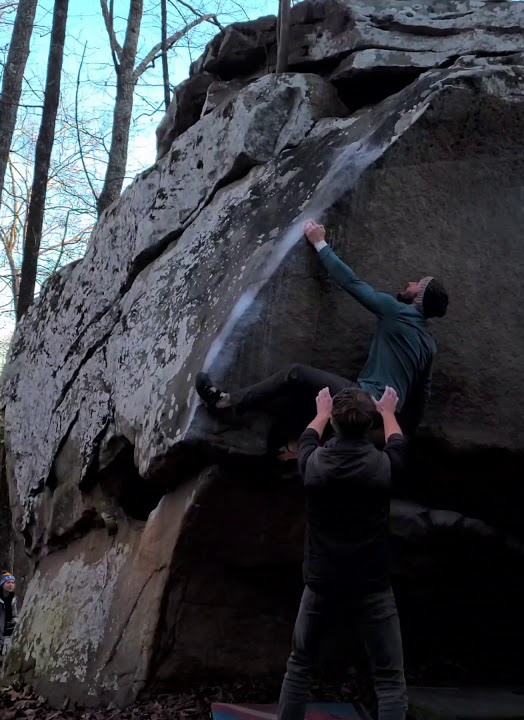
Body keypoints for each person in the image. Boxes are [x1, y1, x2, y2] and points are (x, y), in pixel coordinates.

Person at [197, 220, 448, 435]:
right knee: (304, 399)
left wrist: (320, 243)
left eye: (418, 284)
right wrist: (400, 433)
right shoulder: (429, 345)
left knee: (295, 373)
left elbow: (352, 283)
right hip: (381, 417)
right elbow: (422, 395)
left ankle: (227, 403)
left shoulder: (396, 312)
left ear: (420, 297)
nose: (411, 282)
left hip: (365, 401)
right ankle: (277, 438)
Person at [275, 385, 409, 720]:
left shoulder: (314, 466)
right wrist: (389, 412)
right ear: (369, 425)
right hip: (372, 584)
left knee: (300, 665)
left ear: (334, 422)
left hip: (323, 582)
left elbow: (307, 439)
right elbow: (398, 446)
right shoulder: (381, 468)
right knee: (390, 678)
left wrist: (320, 412)